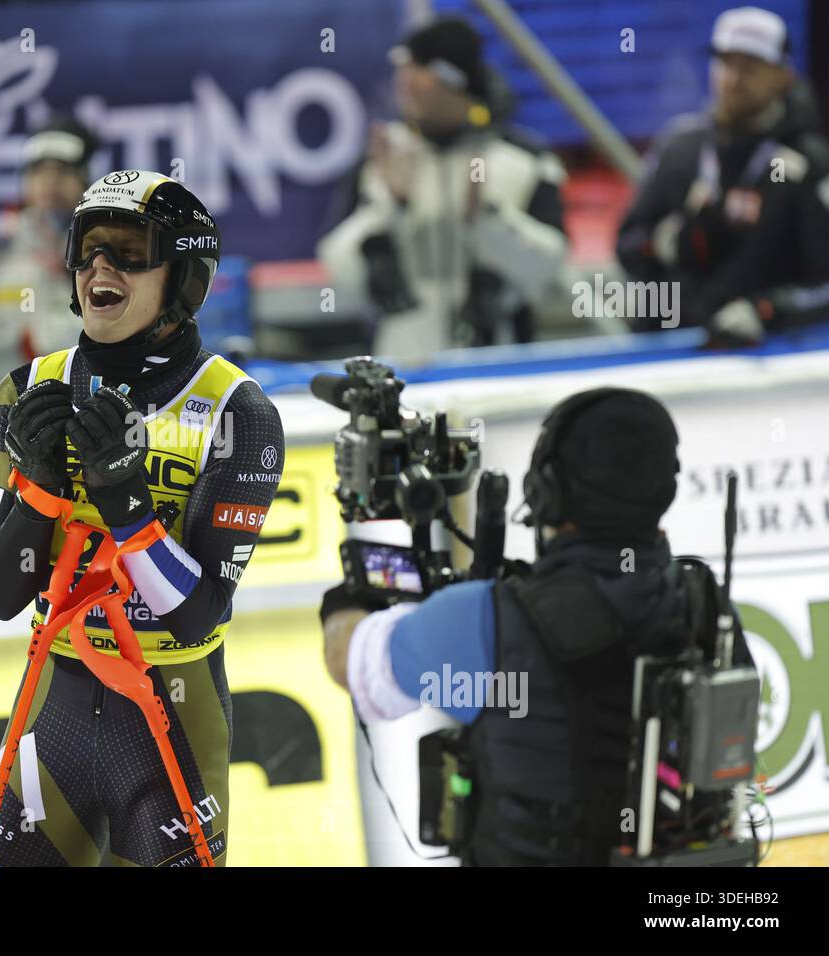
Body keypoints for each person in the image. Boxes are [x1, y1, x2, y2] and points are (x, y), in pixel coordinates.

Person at [0, 170, 284, 866]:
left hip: (172, 713)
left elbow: (196, 615)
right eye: (88, 249)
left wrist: (126, 503)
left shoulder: (238, 412)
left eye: (129, 250)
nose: (99, 269)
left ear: (183, 279)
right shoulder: (27, 390)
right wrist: (41, 492)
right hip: (56, 701)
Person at [320, 388, 751, 865]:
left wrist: (346, 602)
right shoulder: (704, 601)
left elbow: (350, 662)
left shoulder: (480, 617)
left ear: (546, 493)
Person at [318, 16, 567, 362]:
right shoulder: (384, 159)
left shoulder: (522, 160)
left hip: (498, 358)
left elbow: (550, 266)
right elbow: (337, 269)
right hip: (403, 363)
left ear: (454, 80)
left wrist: (488, 220)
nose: (405, 82)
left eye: (418, 69)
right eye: (403, 71)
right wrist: (386, 218)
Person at [617, 6, 829, 342]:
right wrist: (665, 241)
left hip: (771, 360)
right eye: (726, 64)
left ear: (783, 76)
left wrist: (768, 310)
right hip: (673, 352)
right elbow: (627, 246)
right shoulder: (680, 148)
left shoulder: (807, 164)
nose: (734, 79)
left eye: (750, 67)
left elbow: (824, 285)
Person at [0, 116, 96, 392]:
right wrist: (17, 342)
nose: (50, 183)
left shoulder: (102, 245)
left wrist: (45, 342)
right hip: (1, 395)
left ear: (84, 178)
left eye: (62, 172)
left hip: (81, 391)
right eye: (40, 172)